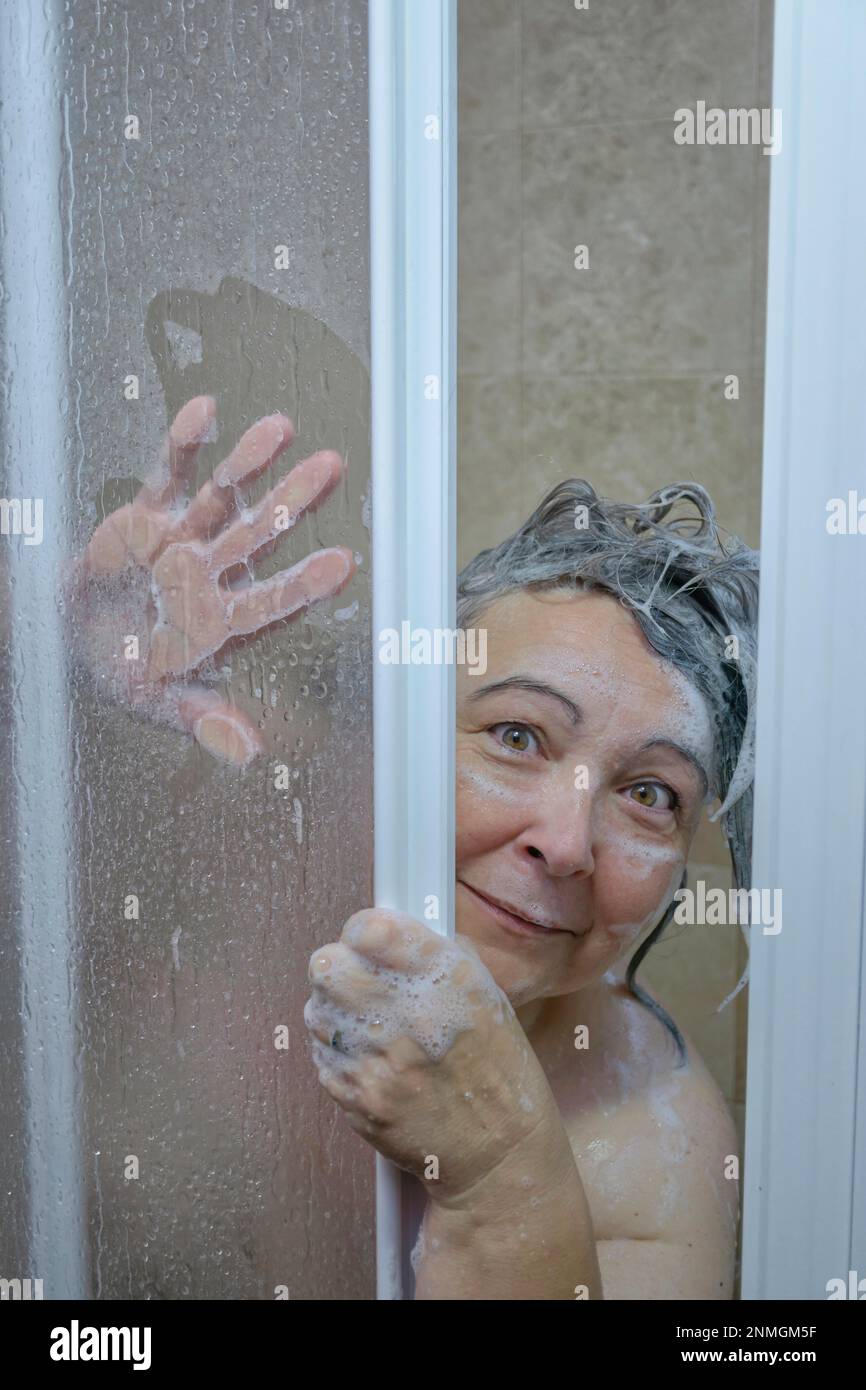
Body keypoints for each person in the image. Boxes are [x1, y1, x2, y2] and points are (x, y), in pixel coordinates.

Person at [76, 397, 758, 1300]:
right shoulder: (249, 844)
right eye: (518, 736)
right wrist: (58, 674)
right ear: (399, 736)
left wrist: (504, 1176)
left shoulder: (660, 1147)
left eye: (647, 794)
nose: (564, 846)